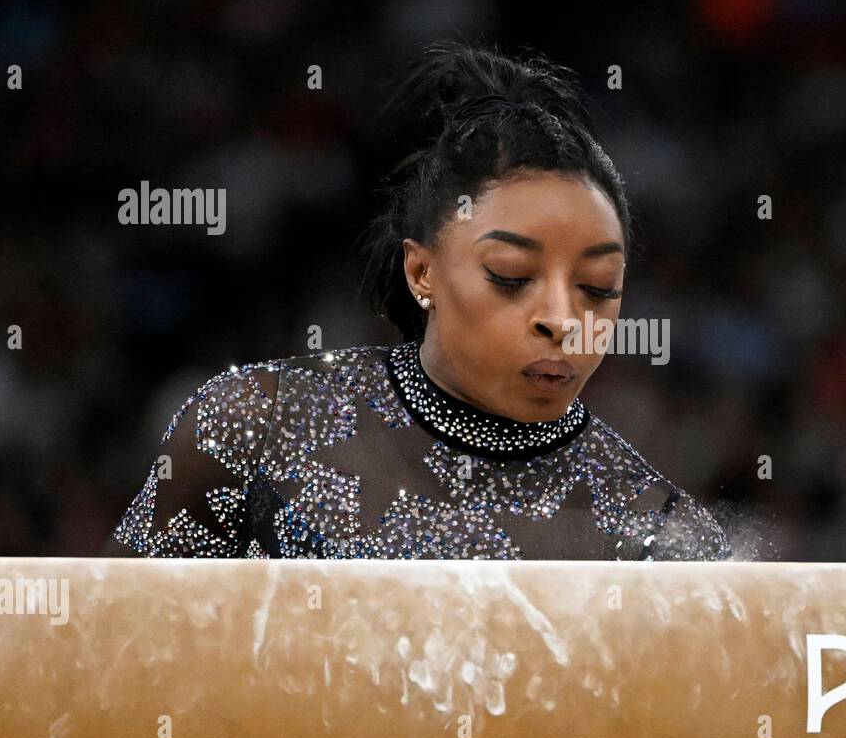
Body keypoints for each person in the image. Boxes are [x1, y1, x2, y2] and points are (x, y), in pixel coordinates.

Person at [110, 40, 732, 561]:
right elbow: (95, 660)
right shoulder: (256, 429)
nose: (563, 321)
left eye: (598, 289)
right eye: (512, 276)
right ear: (422, 270)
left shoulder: (654, 538)